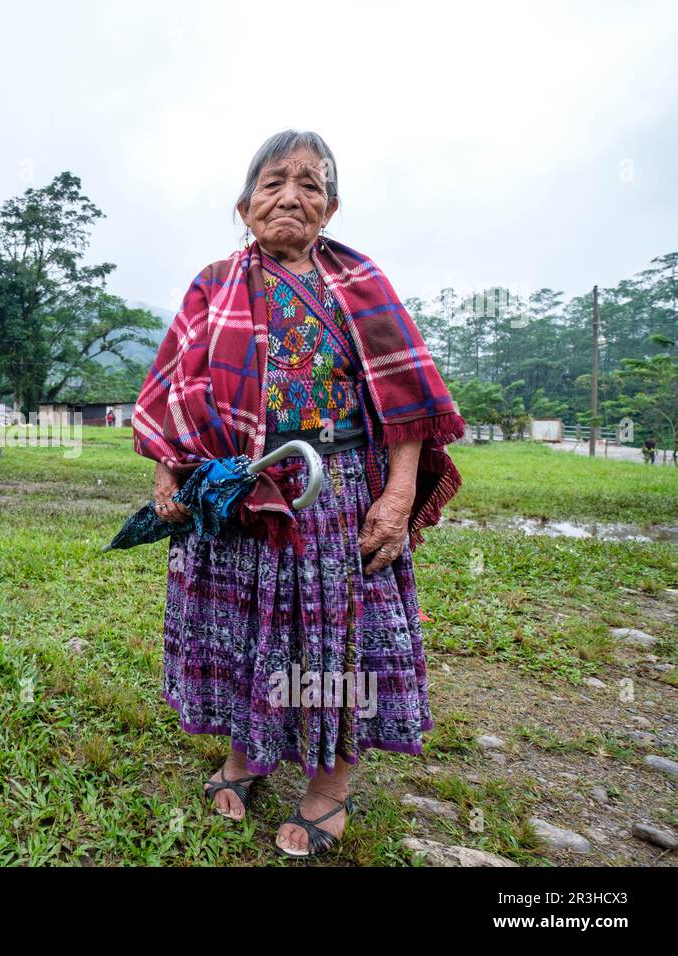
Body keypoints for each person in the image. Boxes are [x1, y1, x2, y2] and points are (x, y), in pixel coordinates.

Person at [132, 130, 465, 857]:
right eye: (274, 182)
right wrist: (166, 472)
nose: (291, 195)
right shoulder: (213, 283)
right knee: (249, 628)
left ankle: (328, 787)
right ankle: (250, 753)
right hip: (239, 490)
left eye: (310, 184)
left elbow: (407, 400)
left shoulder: (362, 284)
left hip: (339, 491)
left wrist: (401, 492)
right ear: (246, 206)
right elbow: (171, 390)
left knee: (335, 640)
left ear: (332, 206)